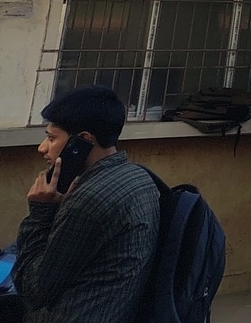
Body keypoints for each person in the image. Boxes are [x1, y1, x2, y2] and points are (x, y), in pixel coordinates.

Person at [14, 85, 160, 323]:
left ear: (82, 141)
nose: (42, 148)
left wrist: (40, 214)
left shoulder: (89, 201)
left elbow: (33, 291)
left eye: (51, 138)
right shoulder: (138, 176)